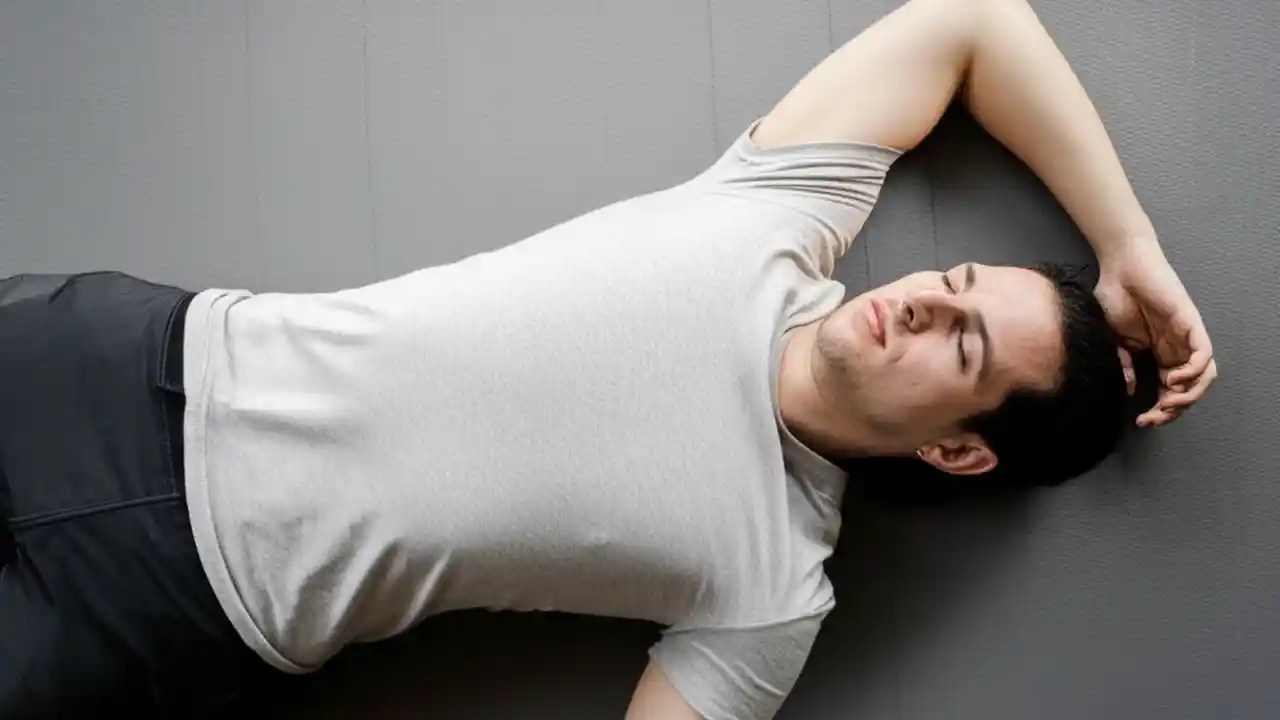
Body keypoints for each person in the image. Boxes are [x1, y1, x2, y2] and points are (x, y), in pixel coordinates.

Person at [0, 0, 1216, 717]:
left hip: (162, 606)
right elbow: (973, 23)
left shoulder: (772, 590)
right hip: (121, 368)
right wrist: (1125, 251)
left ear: (955, 448)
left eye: (962, 343)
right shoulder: (775, 219)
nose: (919, 305)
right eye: (953, 283)